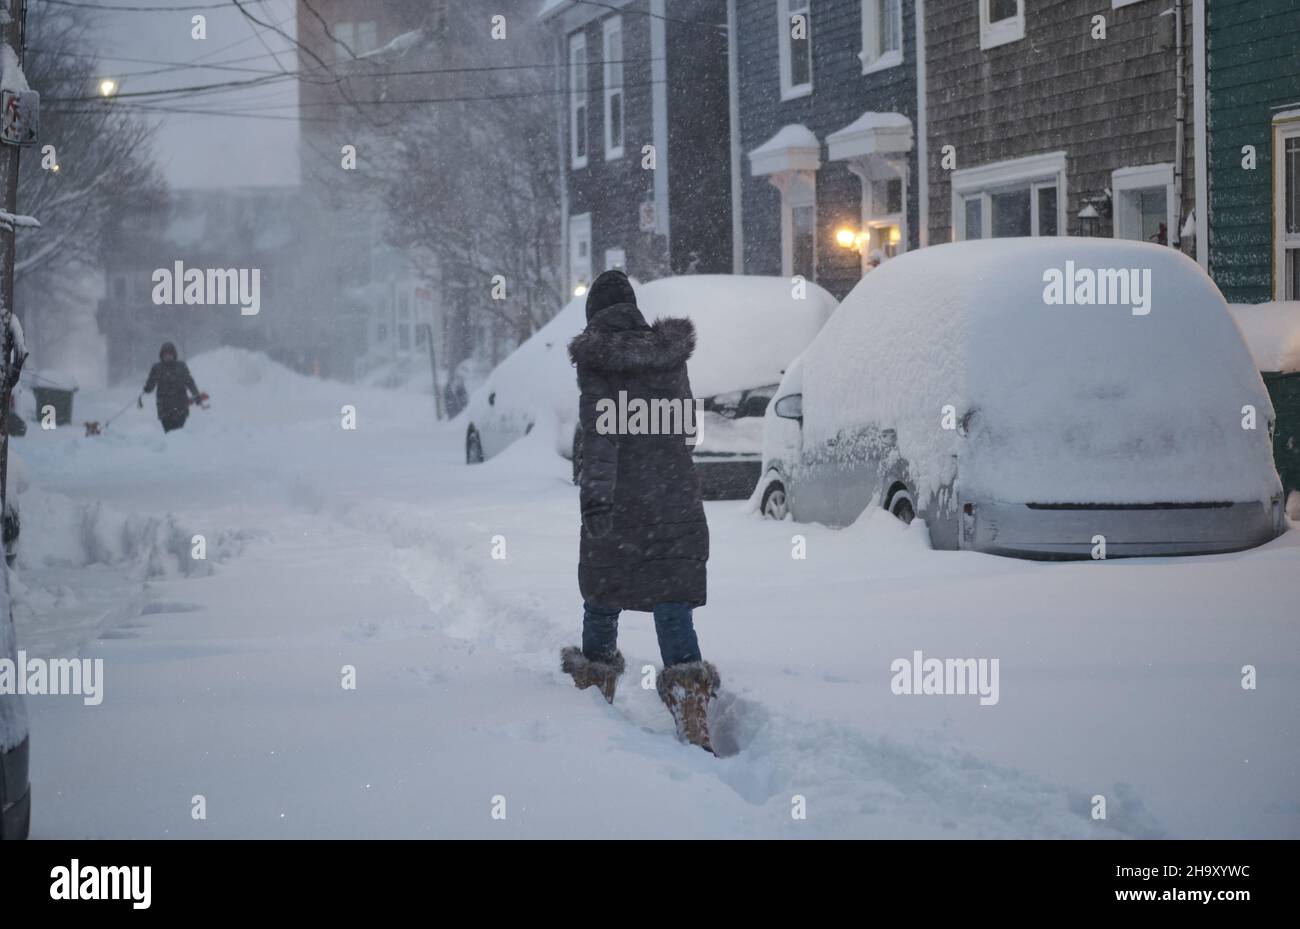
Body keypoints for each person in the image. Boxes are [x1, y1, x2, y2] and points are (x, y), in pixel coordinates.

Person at [560, 270, 719, 753]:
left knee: (602, 599)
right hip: (673, 498)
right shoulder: (669, 356)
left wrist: (596, 502)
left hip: (622, 502)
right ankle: (693, 718)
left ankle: (593, 698)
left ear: (594, 319)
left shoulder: (598, 364)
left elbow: (602, 441)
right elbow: (686, 432)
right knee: (672, 603)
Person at [140, 342, 204, 433]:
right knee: (169, 432)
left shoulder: (181, 366)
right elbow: (151, 384)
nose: (168, 356)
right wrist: (147, 388)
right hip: (164, 408)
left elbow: (190, 382)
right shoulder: (157, 368)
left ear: (174, 354)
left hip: (180, 406)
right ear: (161, 355)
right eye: (165, 354)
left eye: (170, 354)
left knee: (180, 432)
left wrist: (196, 395)